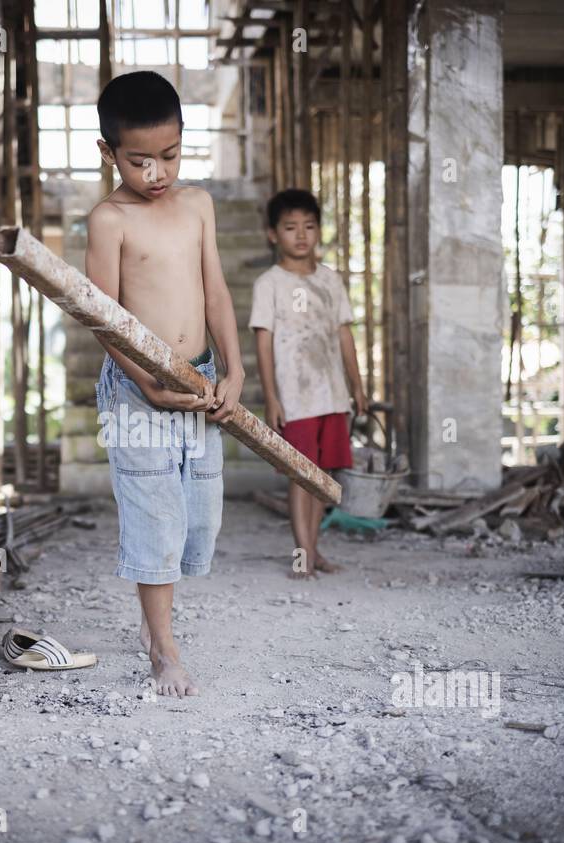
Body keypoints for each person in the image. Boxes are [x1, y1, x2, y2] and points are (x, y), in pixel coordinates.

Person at [84, 70, 245, 698]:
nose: (157, 174)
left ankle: (158, 630)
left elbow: (217, 293)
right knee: (156, 513)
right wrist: (144, 383)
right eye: (140, 161)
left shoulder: (198, 204)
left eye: (170, 156)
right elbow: (104, 317)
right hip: (137, 390)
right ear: (108, 153)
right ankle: (163, 646)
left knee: (197, 516)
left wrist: (233, 372)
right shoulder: (108, 219)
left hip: (201, 381)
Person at [250, 188, 368, 578]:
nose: (301, 235)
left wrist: (357, 385)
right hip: (295, 397)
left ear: (319, 230)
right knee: (302, 478)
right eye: (290, 227)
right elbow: (263, 342)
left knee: (323, 480)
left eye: (309, 226)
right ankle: (302, 554)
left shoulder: (331, 281)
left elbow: (344, 334)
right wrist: (271, 397)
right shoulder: (269, 284)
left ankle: (313, 551)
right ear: (273, 234)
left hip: (331, 395)